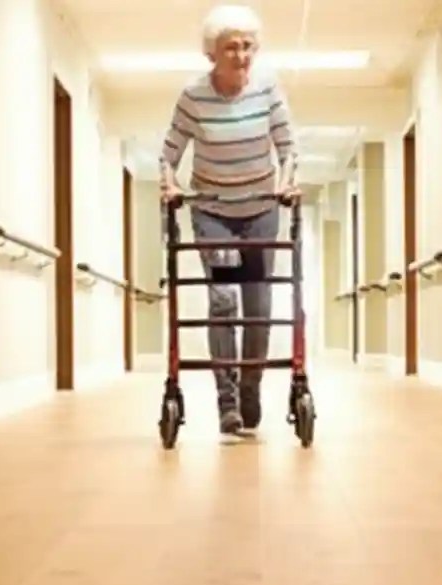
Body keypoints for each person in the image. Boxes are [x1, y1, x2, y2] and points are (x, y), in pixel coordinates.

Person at [159, 3, 299, 435]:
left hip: (259, 212)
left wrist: (289, 182)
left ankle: (251, 386)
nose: (242, 55)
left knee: (258, 307)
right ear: (211, 55)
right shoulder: (193, 96)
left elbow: (289, 149)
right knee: (223, 301)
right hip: (215, 213)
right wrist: (171, 185)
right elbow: (168, 155)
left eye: (247, 46)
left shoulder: (268, 90)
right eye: (231, 48)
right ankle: (227, 401)